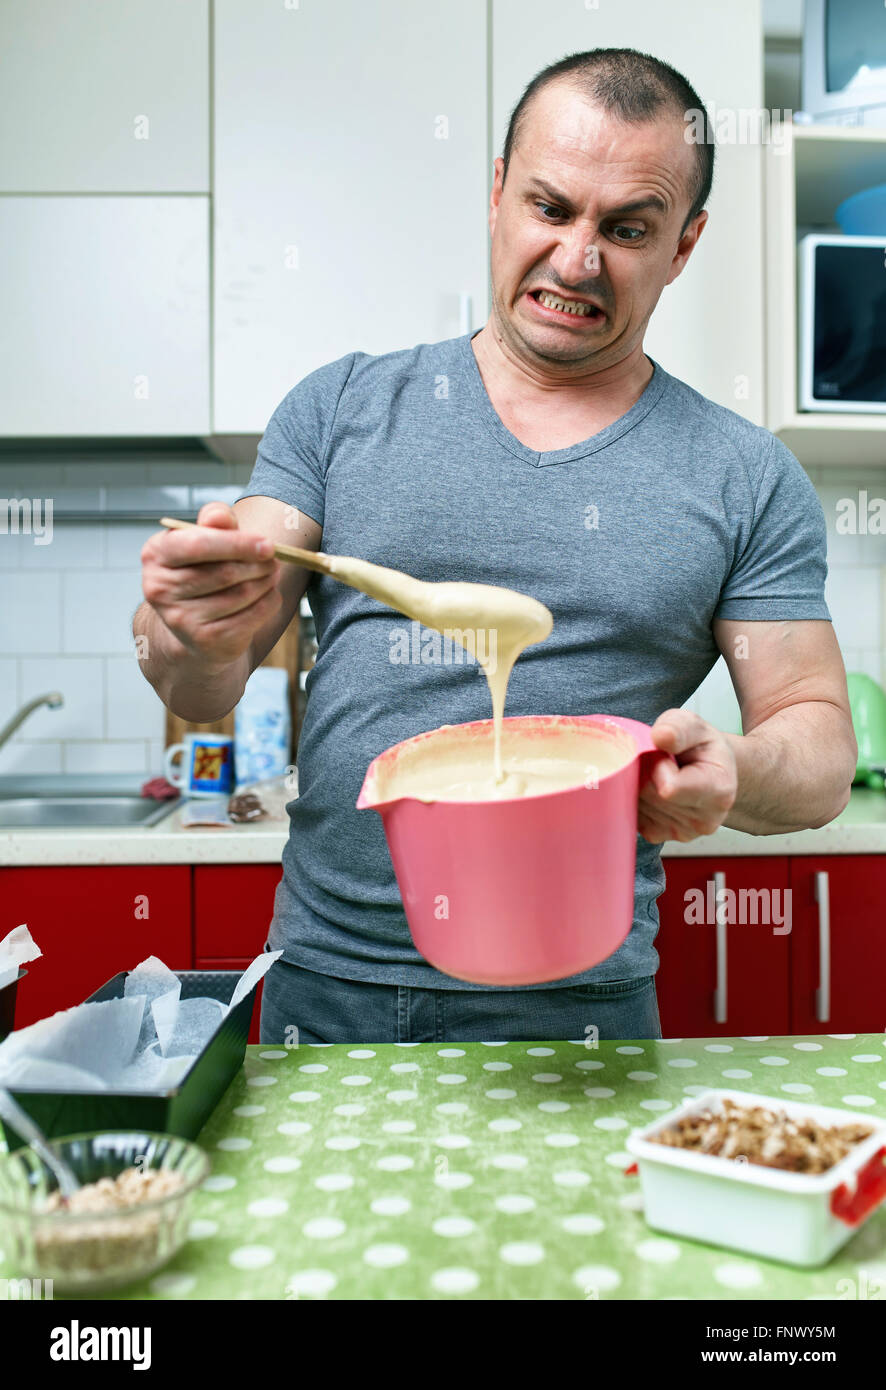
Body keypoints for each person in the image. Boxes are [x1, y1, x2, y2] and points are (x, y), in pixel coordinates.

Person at [134, 49, 856, 1044]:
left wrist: (734, 766)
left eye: (627, 228)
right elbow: (202, 683)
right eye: (550, 209)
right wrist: (190, 624)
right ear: (495, 198)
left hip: (583, 1002)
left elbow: (818, 750)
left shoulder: (740, 473)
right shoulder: (342, 410)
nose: (576, 260)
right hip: (329, 985)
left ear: (684, 245)